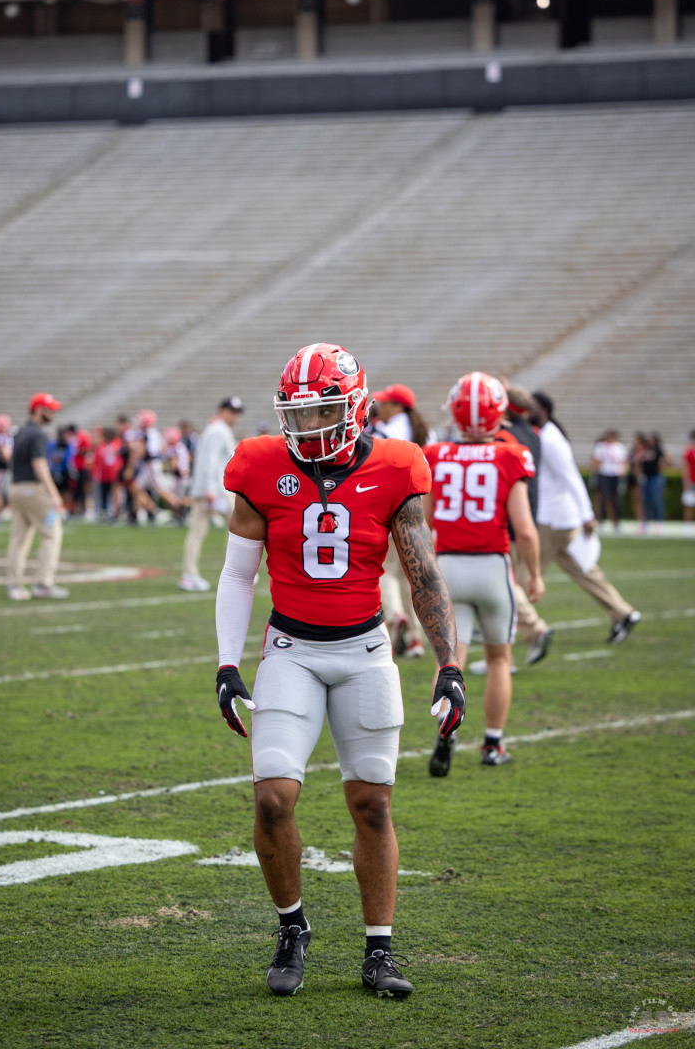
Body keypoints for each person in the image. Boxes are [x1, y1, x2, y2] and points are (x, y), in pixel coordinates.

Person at [214, 343, 462, 999]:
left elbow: (422, 573)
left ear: (357, 406)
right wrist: (224, 660)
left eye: (323, 410)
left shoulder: (399, 465)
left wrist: (450, 663)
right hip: (291, 650)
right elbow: (239, 571)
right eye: (297, 413)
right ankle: (292, 928)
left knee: (373, 805)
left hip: (363, 654)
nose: (307, 426)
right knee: (272, 799)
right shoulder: (261, 464)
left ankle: (379, 948)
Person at [424, 373, 543, 775]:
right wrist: (535, 574)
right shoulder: (511, 454)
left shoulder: (436, 454)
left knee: (450, 661)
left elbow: (421, 524)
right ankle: (492, 744)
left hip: (448, 567)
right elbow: (524, 528)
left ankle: (447, 732)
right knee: (498, 659)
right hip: (492, 566)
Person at [531, 391, 640, 644]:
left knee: (522, 578)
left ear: (544, 411)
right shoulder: (547, 435)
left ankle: (513, 638)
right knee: (584, 570)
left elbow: (572, 477)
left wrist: (587, 513)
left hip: (552, 520)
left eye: (532, 407)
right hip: (561, 519)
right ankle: (623, 612)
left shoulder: (550, 439)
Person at [369, 383, 431, 660]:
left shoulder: (386, 432)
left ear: (396, 406)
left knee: (385, 571)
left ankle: (395, 615)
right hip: (415, 509)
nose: (379, 407)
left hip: (391, 509)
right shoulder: (422, 430)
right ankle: (415, 638)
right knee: (412, 577)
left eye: (384, 402)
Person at [495, 383, 554, 666]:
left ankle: (534, 627)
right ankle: (507, 653)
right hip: (528, 513)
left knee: (504, 584)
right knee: (508, 584)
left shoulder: (502, 437)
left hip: (506, 518)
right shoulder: (534, 435)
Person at [5, 392, 68, 601]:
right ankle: (43, 583)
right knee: (51, 534)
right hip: (33, 489)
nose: (53, 414)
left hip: (16, 488)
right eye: (50, 410)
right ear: (40, 410)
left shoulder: (21, 431)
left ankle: (14, 584)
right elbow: (39, 464)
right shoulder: (38, 434)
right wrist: (54, 494)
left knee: (19, 539)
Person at [180, 397, 243, 592]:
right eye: (232, 411)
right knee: (239, 526)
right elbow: (211, 460)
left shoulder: (217, 428)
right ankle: (234, 572)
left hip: (211, 488)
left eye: (237, 412)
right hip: (214, 489)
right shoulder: (218, 430)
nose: (235, 416)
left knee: (200, 531)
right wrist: (209, 488)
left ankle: (190, 574)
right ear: (222, 410)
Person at [590, 430, 628, 532]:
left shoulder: (619, 447)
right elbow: (595, 460)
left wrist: (623, 472)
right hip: (604, 474)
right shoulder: (601, 446)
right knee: (602, 499)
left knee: (615, 500)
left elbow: (624, 462)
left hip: (615, 475)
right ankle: (601, 521)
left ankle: (616, 523)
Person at [639, 433, 672, 535]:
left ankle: (658, 522)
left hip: (655, 477)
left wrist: (662, 466)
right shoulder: (645, 450)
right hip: (646, 478)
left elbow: (668, 461)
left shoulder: (659, 450)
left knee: (657, 499)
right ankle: (645, 522)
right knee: (645, 500)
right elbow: (638, 461)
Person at [682, 430, 695, 536]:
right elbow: (686, 466)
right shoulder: (689, 450)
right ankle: (688, 527)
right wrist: (686, 480)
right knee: (689, 504)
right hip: (691, 480)